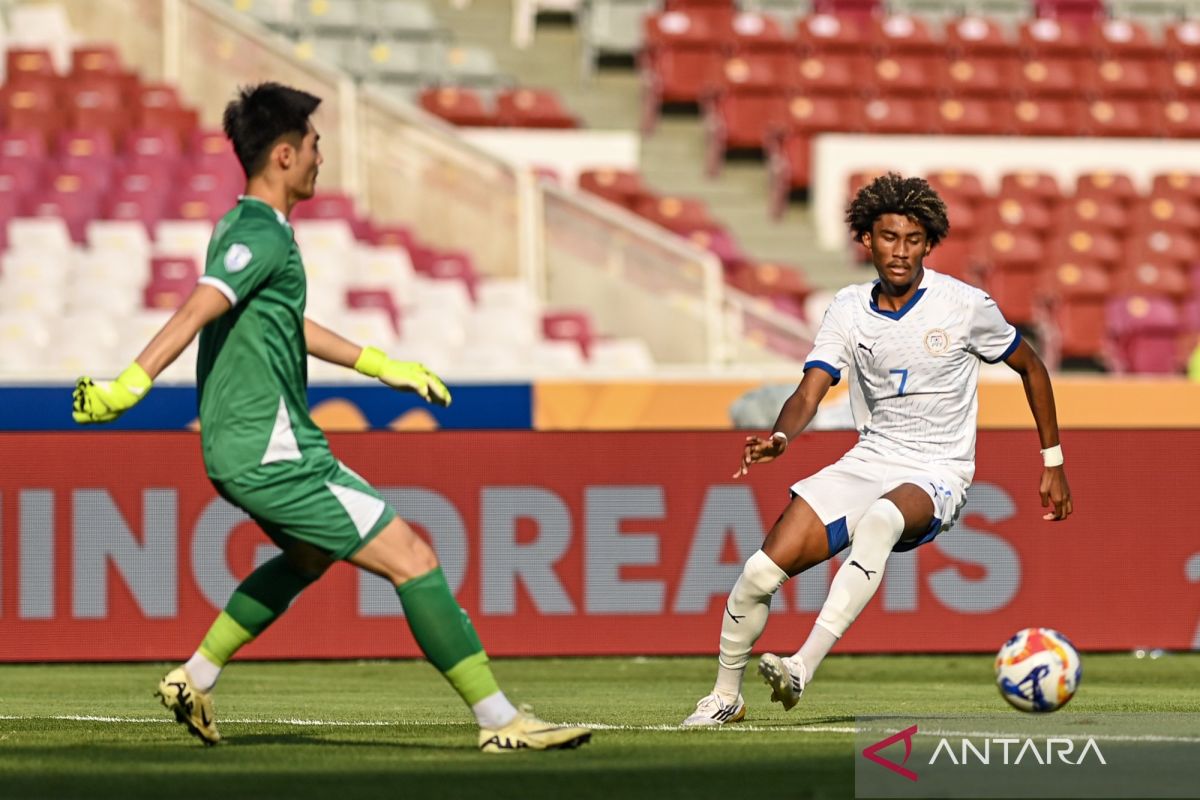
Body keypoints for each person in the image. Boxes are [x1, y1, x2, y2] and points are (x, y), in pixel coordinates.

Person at [72, 82, 591, 754]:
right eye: (315, 144)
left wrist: (381, 364)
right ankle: (500, 722)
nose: (323, 157)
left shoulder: (245, 228)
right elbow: (201, 304)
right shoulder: (258, 233)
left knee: (309, 555)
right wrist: (130, 384)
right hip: (273, 450)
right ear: (285, 155)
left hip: (247, 448)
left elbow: (284, 322)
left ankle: (194, 678)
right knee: (413, 558)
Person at [682, 172, 1073, 726]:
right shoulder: (847, 308)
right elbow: (811, 389)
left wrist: (1052, 461)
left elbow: (1031, 367)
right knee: (759, 572)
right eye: (890, 237)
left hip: (938, 470)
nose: (901, 251)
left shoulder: (964, 306)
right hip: (870, 459)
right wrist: (781, 437)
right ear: (867, 238)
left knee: (882, 520)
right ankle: (725, 696)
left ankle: (801, 667)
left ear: (928, 244)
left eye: (914, 240)